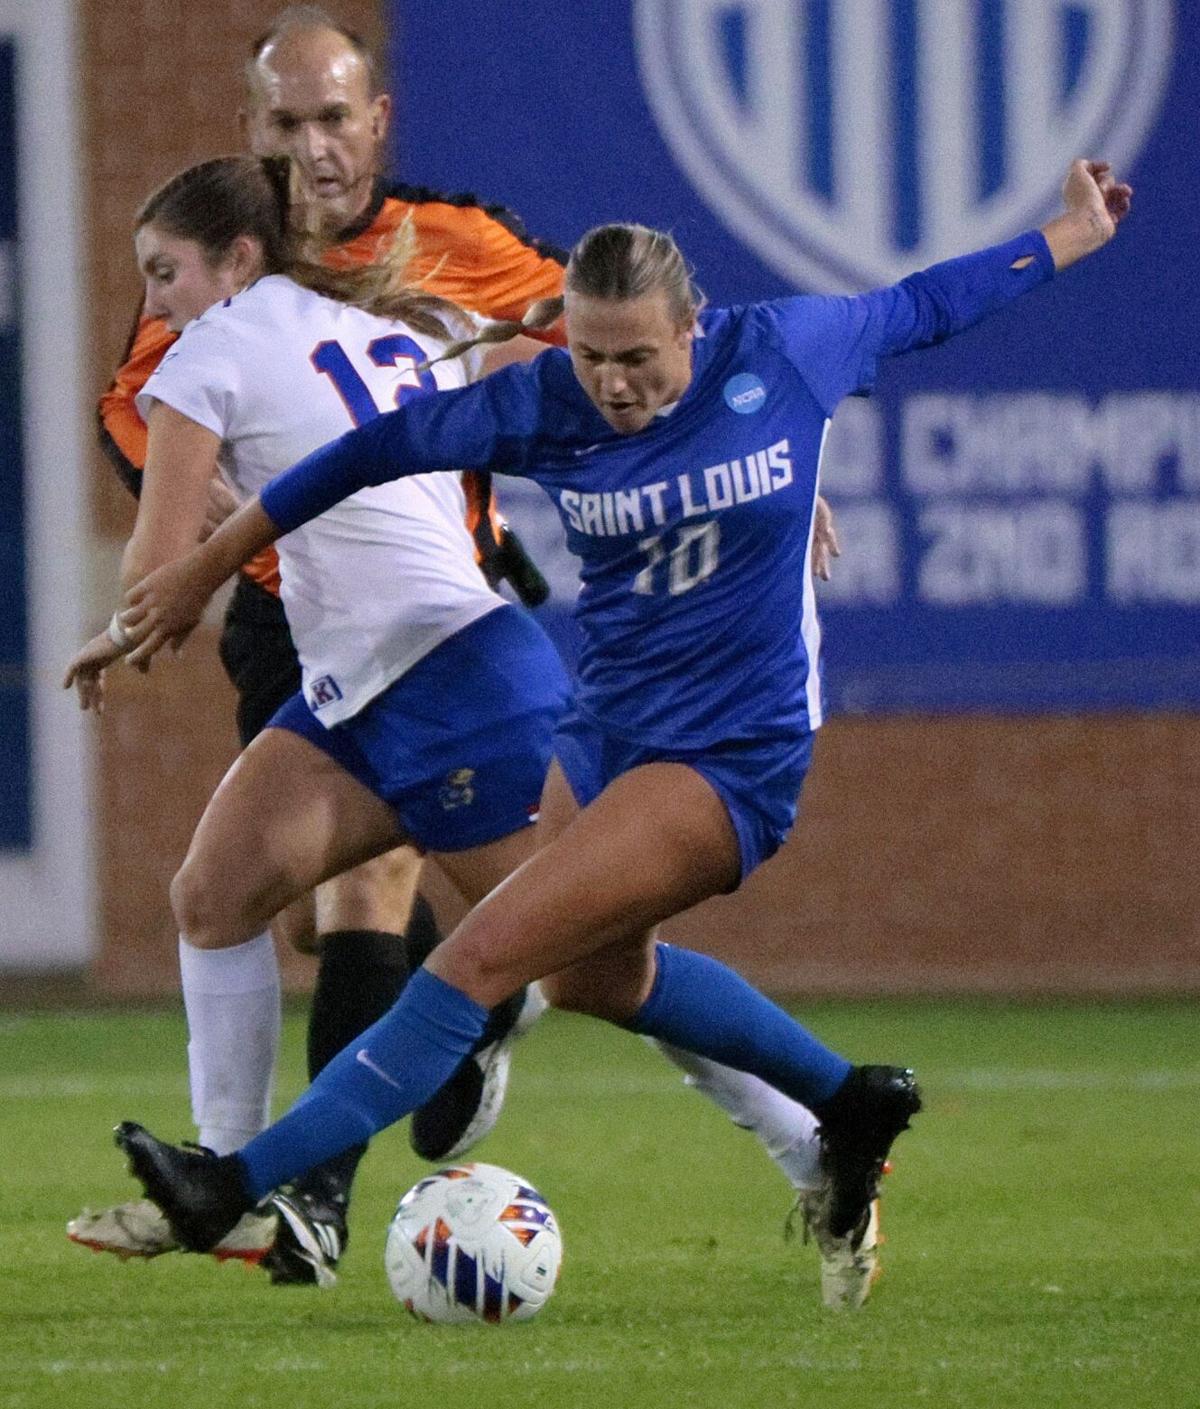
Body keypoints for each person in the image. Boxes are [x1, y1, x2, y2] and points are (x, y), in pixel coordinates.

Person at [103, 158, 1129, 1292]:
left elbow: (933, 302)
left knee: (477, 954)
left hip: (730, 754)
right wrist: (205, 563)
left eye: (639, 355)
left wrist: (1073, 233)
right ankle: (847, 1102)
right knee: (595, 973)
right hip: (604, 732)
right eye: (591, 355)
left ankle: (236, 1182)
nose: (615, 382)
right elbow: (365, 453)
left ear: (696, 325)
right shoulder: (550, 402)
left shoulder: (786, 352)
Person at [78, 3, 854, 1302]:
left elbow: (634, 348)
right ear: (255, 144)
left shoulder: (441, 259)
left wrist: (744, 450)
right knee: (218, 890)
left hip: (441, 634)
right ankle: (238, 1178)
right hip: (313, 632)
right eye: (286, 124)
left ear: (376, 124)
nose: (315, 145)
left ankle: (811, 1135)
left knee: (582, 951)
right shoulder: (240, 307)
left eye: (335, 118)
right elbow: (146, 429)